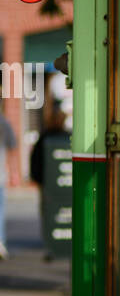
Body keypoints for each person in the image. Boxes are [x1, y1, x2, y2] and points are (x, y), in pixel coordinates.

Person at [29, 107, 71, 258]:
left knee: (47, 211)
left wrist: (38, 180)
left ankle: (51, 241)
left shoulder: (45, 138)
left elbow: (34, 162)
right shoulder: (66, 138)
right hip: (57, 184)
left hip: (48, 184)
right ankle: (55, 242)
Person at [0, 110, 19, 260]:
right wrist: (14, 172)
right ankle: (0, 242)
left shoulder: (4, 123)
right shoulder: (4, 122)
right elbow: (13, 149)